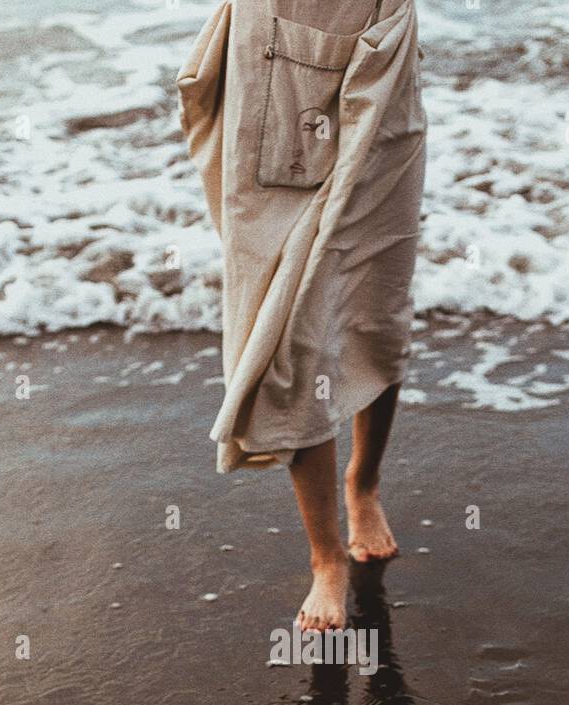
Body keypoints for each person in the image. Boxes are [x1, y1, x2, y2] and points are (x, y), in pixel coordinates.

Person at [178, 0, 426, 630]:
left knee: (377, 309)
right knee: (291, 336)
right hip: (273, 64)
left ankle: (363, 484)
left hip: (378, 48)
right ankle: (326, 559)